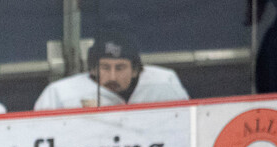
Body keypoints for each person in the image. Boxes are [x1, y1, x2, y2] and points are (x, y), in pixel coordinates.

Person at [33, 32, 188, 110]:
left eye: (120, 68)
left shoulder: (164, 83)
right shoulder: (60, 94)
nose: (112, 76)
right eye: (105, 68)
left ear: (135, 71)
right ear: (93, 69)